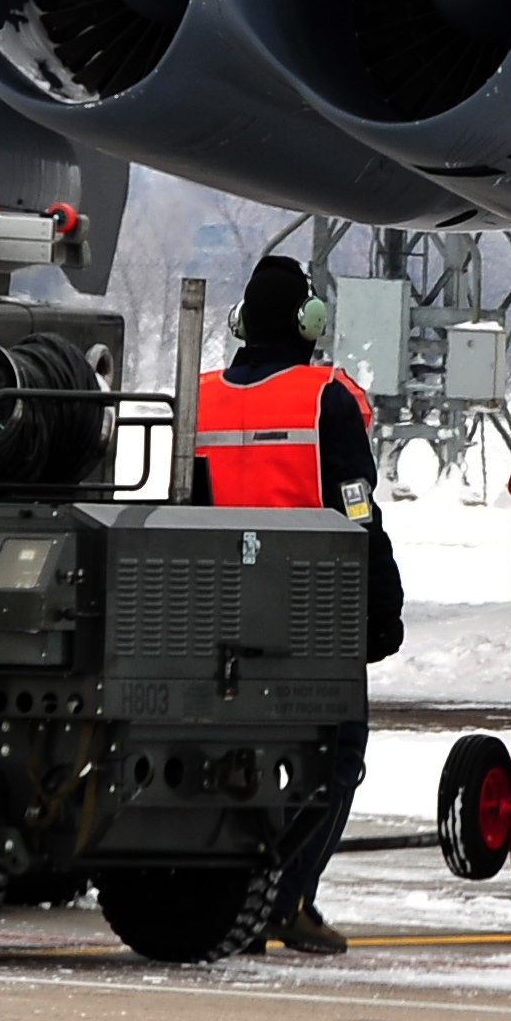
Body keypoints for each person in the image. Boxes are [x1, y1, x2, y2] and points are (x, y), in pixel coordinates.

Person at [190, 252, 405, 956]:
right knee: (335, 758)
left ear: (242, 322)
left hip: (218, 613)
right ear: (309, 321)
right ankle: (288, 899)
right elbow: (358, 514)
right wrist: (383, 606)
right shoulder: (327, 398)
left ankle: (230, 900)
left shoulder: (201, 395)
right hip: (315, 613)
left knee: (227, 761)